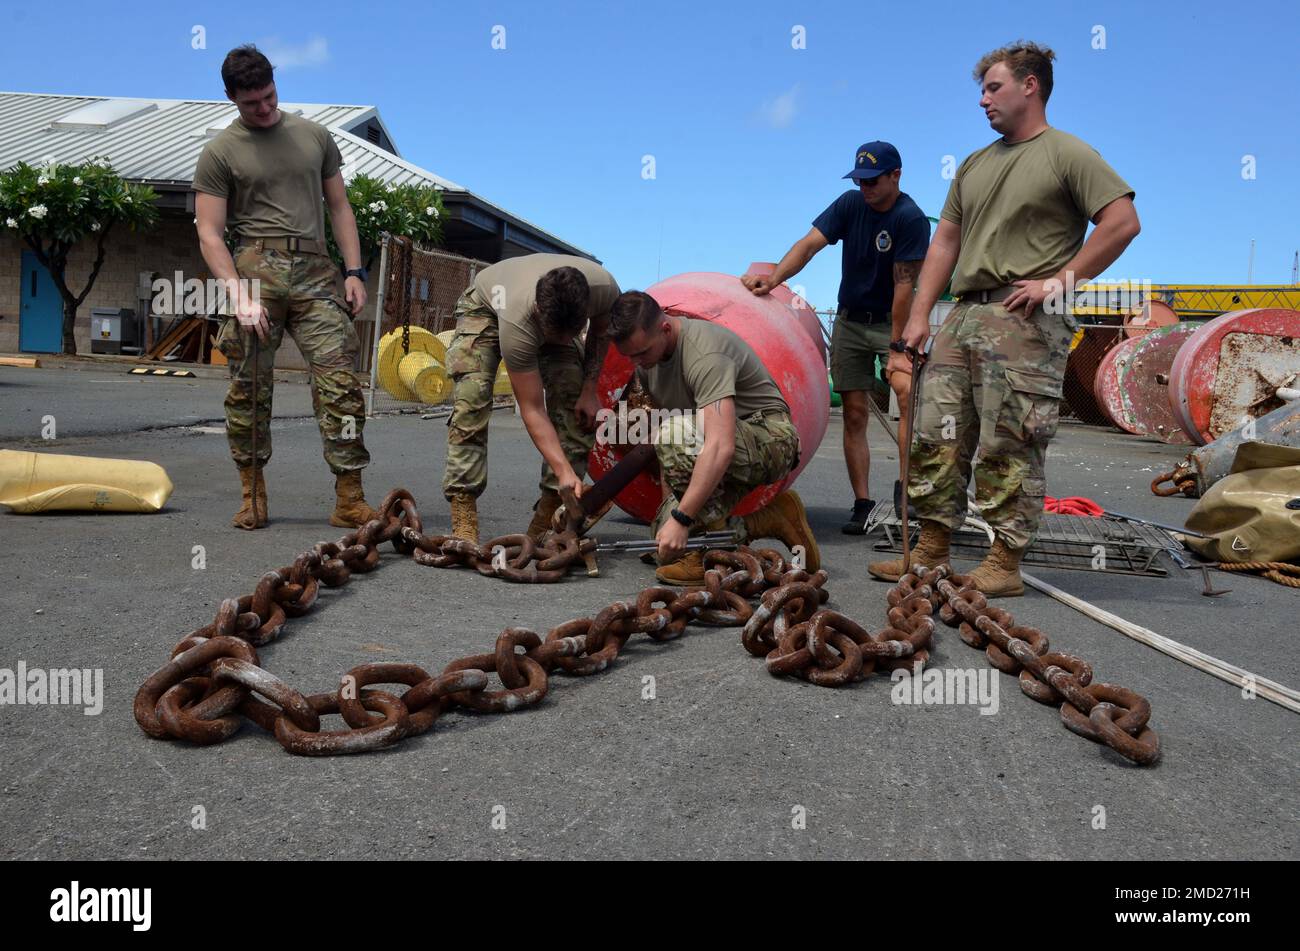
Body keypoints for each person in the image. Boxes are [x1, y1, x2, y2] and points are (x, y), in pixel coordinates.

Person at [869, 41, 1140, 596]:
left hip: (1025, 321)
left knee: (1009, 440)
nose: (983, 100)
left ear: (1030, 85)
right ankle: (931, 550)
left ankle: (1003, 562)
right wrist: (919, 316)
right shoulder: (974, 163)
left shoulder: (1067, 153)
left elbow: (1121, 222)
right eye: (982, 90)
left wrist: (1058, 282)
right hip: (964, 314)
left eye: (993, 88)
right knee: (935, 435)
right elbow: (946, 240)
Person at [194, 45, 380, 531]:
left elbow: (339, 207)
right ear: (232, 97)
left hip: (318, 269)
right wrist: (238, 294)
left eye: (270, 96)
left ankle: (349, 498)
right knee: (249, 386)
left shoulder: (314, 136)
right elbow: (209, 232)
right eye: (252, 101)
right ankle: (252, 494)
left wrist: (355, 272)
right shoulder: (219, 151)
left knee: (340, 381)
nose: (264, 108)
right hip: (256, 267)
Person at [743, 141, 930, 533]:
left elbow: (904, 287)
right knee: (855, 413)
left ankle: (907, 494)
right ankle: (862, 504)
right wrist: (774, 278)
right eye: (860, 180)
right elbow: (809, 245)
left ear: (896, 176)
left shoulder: (910, 218)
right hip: (849, 322)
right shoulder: (849, 204)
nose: (866, 188)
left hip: (890, 322)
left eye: (873, 181)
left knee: (906, 394)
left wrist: (897, 348)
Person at [608, 290, 819, 586]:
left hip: (770, 439)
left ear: (665, 328)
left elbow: (718, 446)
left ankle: (706, 552)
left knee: (674, 441)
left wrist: (683, 519)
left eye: (642, 352)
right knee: (662, 542)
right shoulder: (648, 366)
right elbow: (676, 452)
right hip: (718, 445)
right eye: (630, 356)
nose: (637, 363)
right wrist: (673, 515)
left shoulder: (704, 352)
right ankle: (771, 519)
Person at [442, 253, 619, 543]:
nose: (563, 343)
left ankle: (552, 512)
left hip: (553, 316)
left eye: (571, 335)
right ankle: (463, 511)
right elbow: (533, 408)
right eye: (556, 335)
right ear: (539, 311)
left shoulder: (605, 291)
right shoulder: (519, 322)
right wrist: (562, 469)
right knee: (471, 401)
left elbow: (600, 334)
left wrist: (590, 389)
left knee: (574, 403)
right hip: (487, 306)